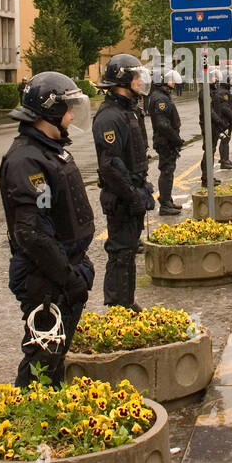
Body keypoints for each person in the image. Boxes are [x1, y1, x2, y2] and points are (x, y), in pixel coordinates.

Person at [0, 72, 95, 385]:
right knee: (43, 358)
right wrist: (67, 278)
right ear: (50, 112)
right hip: (46, 277)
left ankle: (49, 407)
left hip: (64, 270)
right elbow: (32, 234)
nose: (71, 115)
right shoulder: (27, 159)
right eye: (67, 108)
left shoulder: (48, 149)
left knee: (55, 355)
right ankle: (31, 420)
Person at [93, 53, 154, 311]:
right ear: (123, 80)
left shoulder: (130, 110)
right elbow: (111, 165)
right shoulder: (110, 116)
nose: (141, 81)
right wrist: (132, 194)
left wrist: (142, 188)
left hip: (132, 190)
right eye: (136, 76)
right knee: (120, 252)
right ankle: (118, 305)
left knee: (129, 250)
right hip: (120, 196)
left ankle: (127, 301)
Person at [148, 70, 184, 216]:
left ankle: (167, 200)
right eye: (170, 80)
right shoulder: (160, 99)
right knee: (167, 171)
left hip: (167, 140)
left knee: (168, 171)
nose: (173, 82)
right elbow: (162, 124)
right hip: (165, 141)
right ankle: (165, 204)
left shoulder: (161, 96)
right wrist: (176, 139)